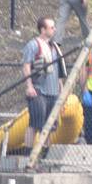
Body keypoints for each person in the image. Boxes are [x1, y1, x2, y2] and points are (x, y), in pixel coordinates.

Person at [22, 16, 65, 147]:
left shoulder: (55, 47)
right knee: (35, 124)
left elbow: (58, 73)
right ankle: (27, 154)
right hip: (39, 91)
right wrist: (29, 86)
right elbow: (26, 66)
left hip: (53, 93)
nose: (54, 29)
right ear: (43, 29)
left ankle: (43, 155)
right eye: (51, 27)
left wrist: (61, 93)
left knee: (49, 126)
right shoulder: (33, 45)